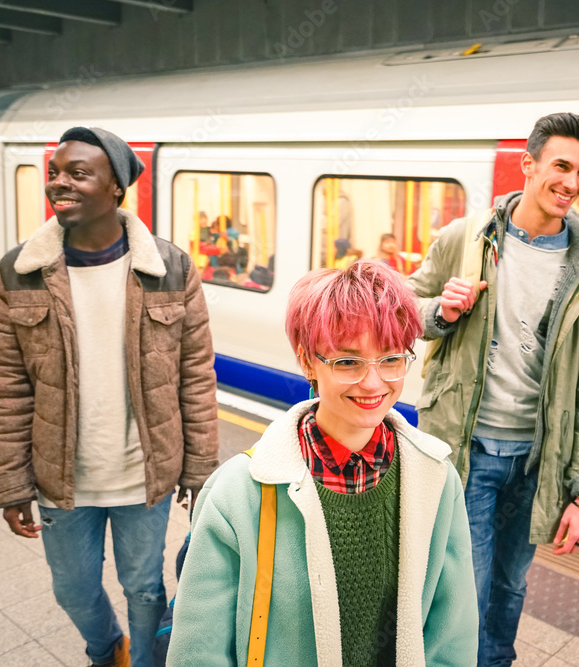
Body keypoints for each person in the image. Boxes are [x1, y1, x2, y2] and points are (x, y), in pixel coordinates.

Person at [0, 127, 219, 667]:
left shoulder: (170, 269)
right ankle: (107, 648)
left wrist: (200, 470)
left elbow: (195, 376)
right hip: (61, 477)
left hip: (145, 475)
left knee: (144, 589)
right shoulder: (18, 273)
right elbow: (6, 386)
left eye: (77, 173)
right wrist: (11, 480)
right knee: (72, 590)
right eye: (54, 173)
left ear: (116, 187)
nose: (58, 184)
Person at [167, 260, 478, 666]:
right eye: (347, 362)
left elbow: (452, 634)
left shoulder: (435, 478)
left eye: (391, 359)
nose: (373, 382)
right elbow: (200, 651)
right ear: (308, 362)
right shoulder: (238, 493)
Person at [407, 112, 579, 666]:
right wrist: (440, 310)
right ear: (528, 165)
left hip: (535, 462)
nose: (571, 183)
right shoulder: (466, 238)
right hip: (467, 453)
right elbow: (400, 310)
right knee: (465, 594)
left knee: (509, 591)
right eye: (561, 166)